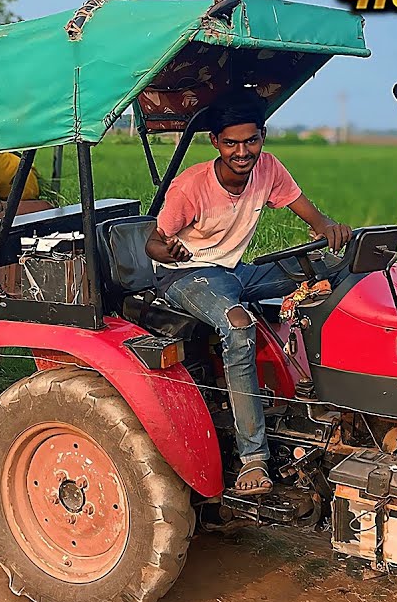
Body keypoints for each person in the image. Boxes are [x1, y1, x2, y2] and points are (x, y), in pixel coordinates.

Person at [145, 90, 351, 496]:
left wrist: (331, 230)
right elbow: (154, 241)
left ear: (262, 137)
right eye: (231, 143)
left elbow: (314, 216)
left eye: (251, 140)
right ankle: (252, 457)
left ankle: (329, 395)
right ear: (216, 143)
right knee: (239, 325)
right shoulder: (192, 187)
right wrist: (168, 248)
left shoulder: (269, 169)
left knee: (339, 266)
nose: (242, 151)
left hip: (236, 272)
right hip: (187, 276)